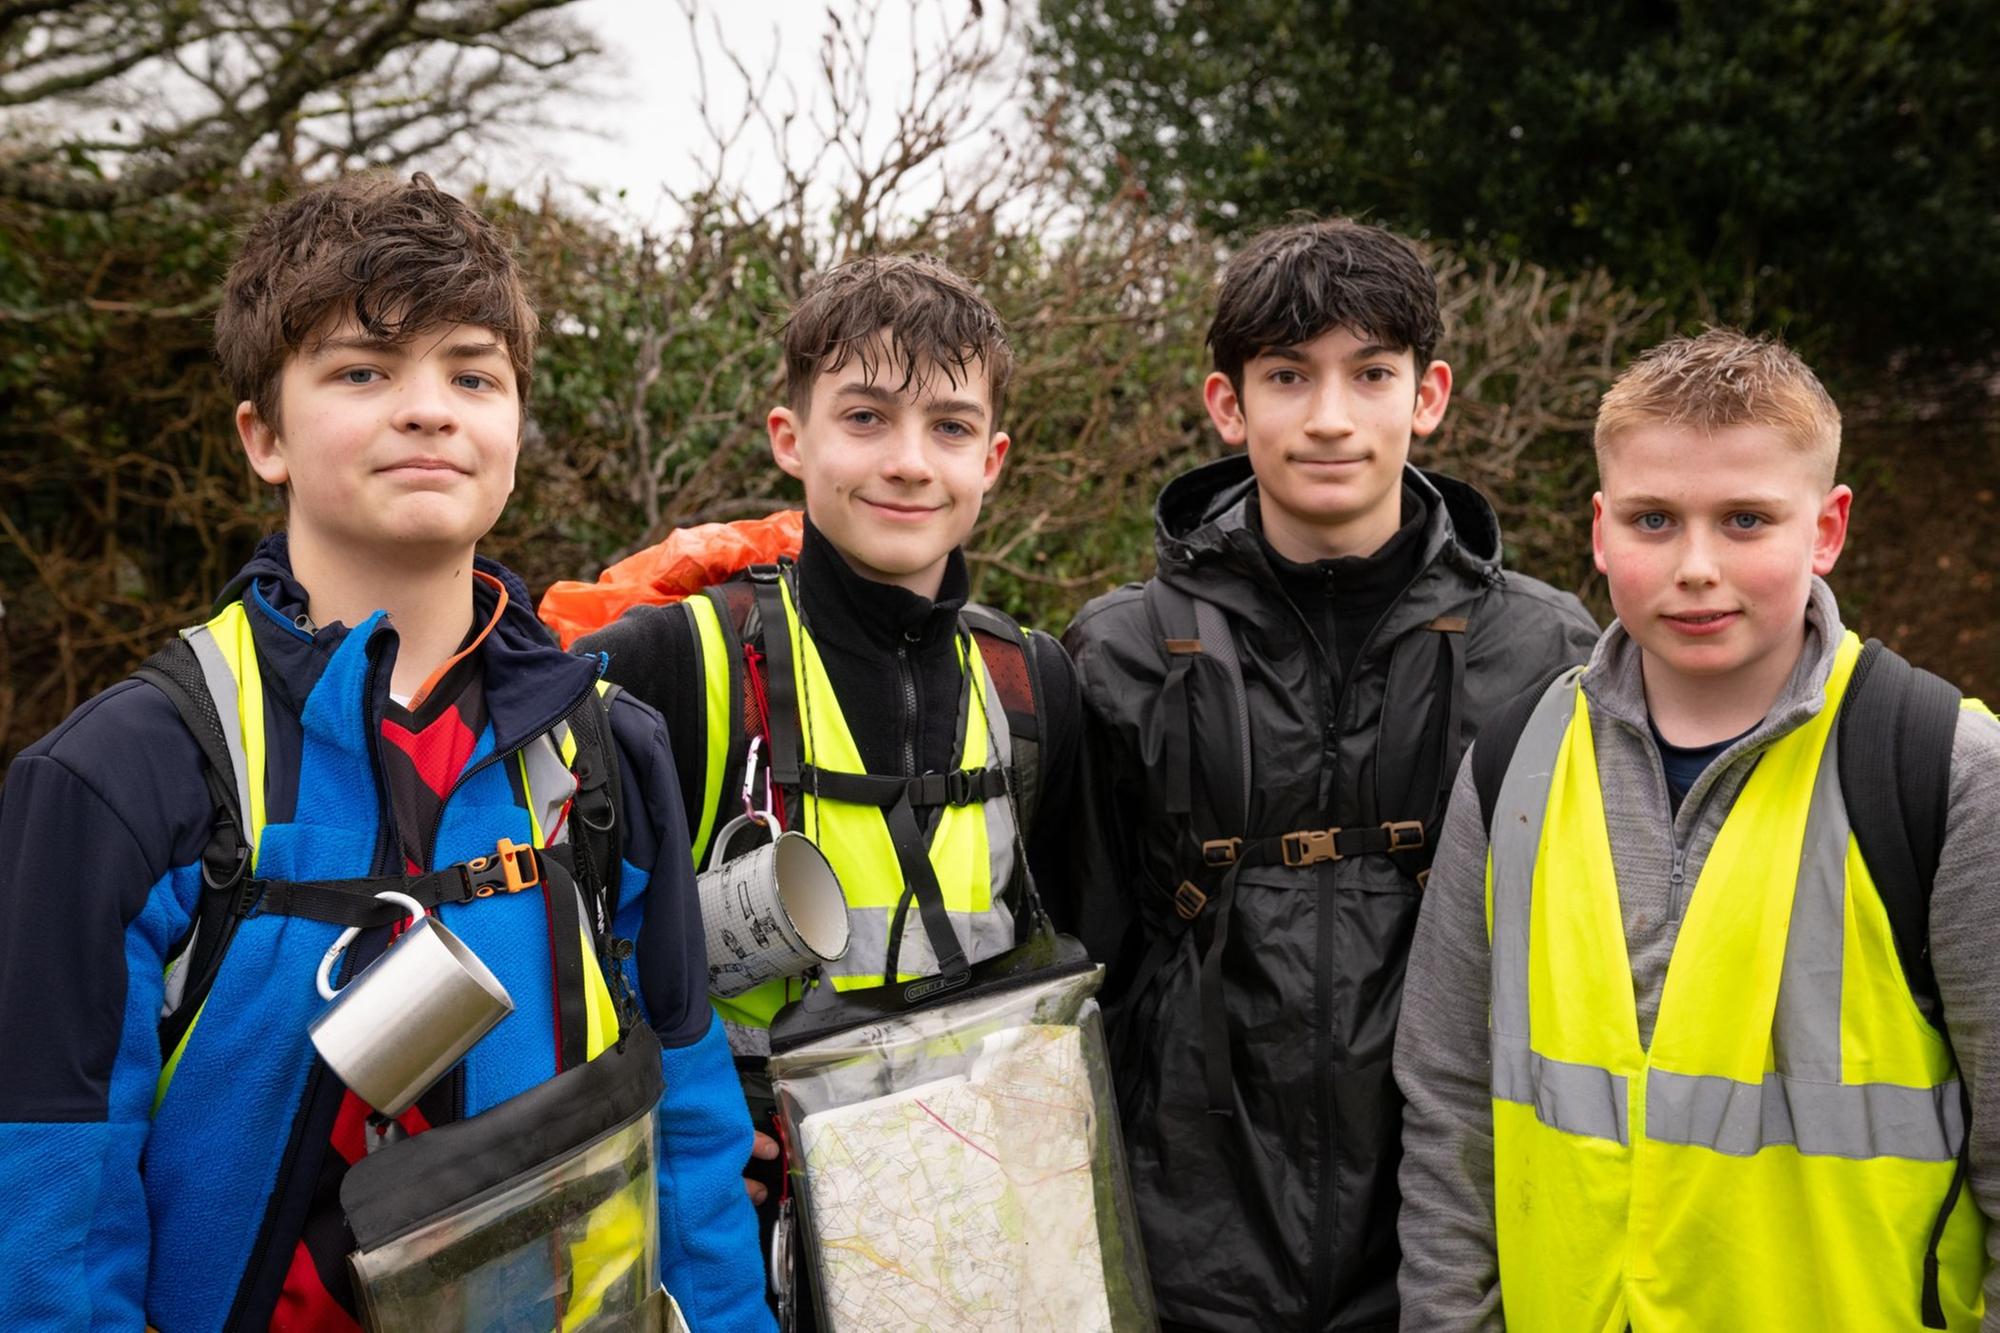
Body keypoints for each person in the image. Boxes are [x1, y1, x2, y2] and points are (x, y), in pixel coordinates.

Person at [0, 173, 769, 1331]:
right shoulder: (119, 776)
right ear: (263, 434)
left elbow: (694, 1127)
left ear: (514, 426)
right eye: (362, 371)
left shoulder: (610, 755)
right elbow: (51, 1211)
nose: (429, 410)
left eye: (473, 374)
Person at [1395, 328, 2000, 1330]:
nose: (1694, 566)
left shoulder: (1946, 774)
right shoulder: (1510, 765)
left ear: (1826, 527)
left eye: (1745, 520)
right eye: (1652, 519)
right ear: (1597, 530)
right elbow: (1447, 1107)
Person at [1059, 217, 1600, 1331]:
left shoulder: (1548, 650)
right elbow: (1083, 952)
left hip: (1449, 1239)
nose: (1328, 417)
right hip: (1183, 1244)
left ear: (1427, 394)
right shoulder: (1111, 651)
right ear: (1227, 403)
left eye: (1370, 374)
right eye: (1286, 376)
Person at [575, 253, 1080, 1310]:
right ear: (788, 438)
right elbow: (571, 974)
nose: (907, 462)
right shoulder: (674, 664)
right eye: (864, 417)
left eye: (947, 428)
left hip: (965, 1232)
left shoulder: (1030, 683)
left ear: (991, 459)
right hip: (736, 1246)